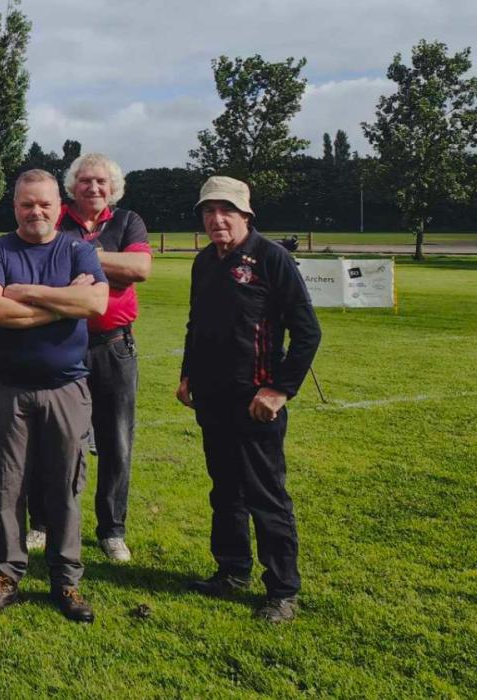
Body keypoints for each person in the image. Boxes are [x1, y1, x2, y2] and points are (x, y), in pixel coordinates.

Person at [177, 176, 321, 624]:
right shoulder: (205, 262)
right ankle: (232, 570)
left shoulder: (272, 258)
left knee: (266, 495)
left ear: (245, 215)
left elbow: (307, 331)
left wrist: (279, 390)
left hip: (256, 400)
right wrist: (187, 374)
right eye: (208, 211)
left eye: (227, 211)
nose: (216, 220)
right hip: (212, 397)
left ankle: (282, 590)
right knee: (225, 492)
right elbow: (195, 323)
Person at [0, 169, 109, 623]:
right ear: (15, 207)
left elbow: (96, 305)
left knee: (65, 485)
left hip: (67, 387)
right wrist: (61, 301)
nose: (36, 212)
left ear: (58, 206)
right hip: (6, 388)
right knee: (7, 485)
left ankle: (66, 580)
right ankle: (6, 575)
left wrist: (28, 294)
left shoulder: (78, 249)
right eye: (27, 204)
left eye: (45, 204)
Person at [53, 152, 152, 562]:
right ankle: (45, 521)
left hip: (114, 346)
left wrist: (79, 256)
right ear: (72, 186)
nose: (93, 188)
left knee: (117, 441)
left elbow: (140, 268)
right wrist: (110, 265)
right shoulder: (55, 217)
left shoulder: (128, 221)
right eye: (85, 181)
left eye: (101, 182)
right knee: (56, 439)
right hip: (62, 341)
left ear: (113, 188)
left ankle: (112, 529)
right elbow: (45, 267)